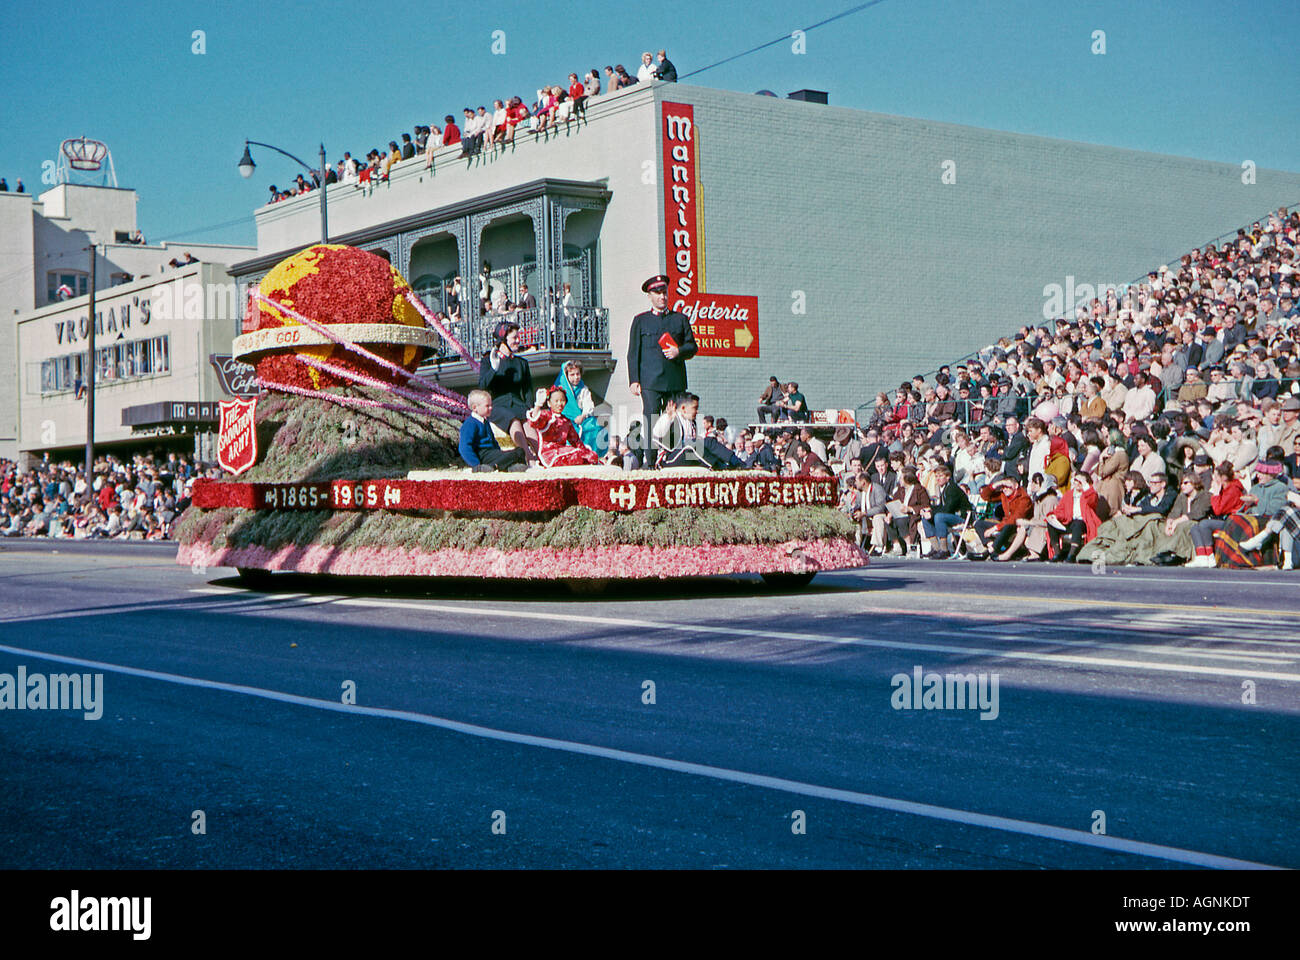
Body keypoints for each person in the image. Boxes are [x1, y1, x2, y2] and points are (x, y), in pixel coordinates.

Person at [627, 274, 697, 465]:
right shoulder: (640, 321)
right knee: (651, 420)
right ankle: (650, 463)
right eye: (657, 293)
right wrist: (634, 380)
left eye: (664, 292)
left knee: (677, 421)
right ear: (649, 296)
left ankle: (674, 460)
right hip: (650, 381)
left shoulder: (680, 319)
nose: (662, 297)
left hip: (675, 381)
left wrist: (679, 351)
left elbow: (692, 347)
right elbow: (633, 353)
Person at [477, 321, 535, 463]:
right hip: (497, 405)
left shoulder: (522, 363)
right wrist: (494, 370)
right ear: (503, 340)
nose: (518, 341)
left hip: (517, 403)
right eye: (514, 338)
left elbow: (527, 390)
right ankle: (528, 457)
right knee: (512, 419)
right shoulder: (488, 360)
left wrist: (530, 409)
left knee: (527, 421)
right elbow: (483, 385)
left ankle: (543, 455)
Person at [526, 386, 601, 467]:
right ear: (549, 403)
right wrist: (538, 405)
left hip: (563, 450)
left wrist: (586, 453)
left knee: (586, 455)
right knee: (575, 455)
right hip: (549, 453)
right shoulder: (546, 415)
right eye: (556, 401)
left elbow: (576, 441)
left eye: (562, 401)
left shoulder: (566, 421)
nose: (559, 404)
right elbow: (534, 422)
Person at [458, 390, 526, 471]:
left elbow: (494, 441)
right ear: (475, 407)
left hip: (491, 453)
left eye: (491, 405)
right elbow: (464, 447)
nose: (491, 408)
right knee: (514, 455)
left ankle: (509, 467)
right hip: (483, 454)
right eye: (487, 406)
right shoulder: (470, 423)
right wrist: (476, 465)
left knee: (520, 451)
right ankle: (486, 468)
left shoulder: (486, 422)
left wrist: (500, 453)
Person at [555, 359, 604, 455]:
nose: (576, 377)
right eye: (572, 375)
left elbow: (588, 404)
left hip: (581, 419)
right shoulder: (560, 390)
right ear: (566, 375)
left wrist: (583, 416)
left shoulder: (583, 389)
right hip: (565, 420)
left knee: (595, 427)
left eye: (578, 374)